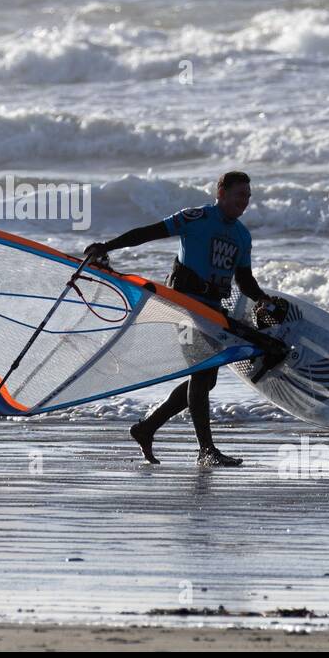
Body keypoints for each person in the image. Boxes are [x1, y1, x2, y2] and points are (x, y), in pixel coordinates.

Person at [84, 170, 285, 467]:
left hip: (212, 311)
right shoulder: (197, 218)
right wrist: (107, 247)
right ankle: (206, 450)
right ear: (221, 193)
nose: (244, 202)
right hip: (183, 305)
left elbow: (244, 282)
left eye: (248, 196)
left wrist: (263, 300)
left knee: (206, 379)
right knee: (203, 375)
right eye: (239, 194)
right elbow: (148, 232)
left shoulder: (242, 236)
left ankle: (147, 428)